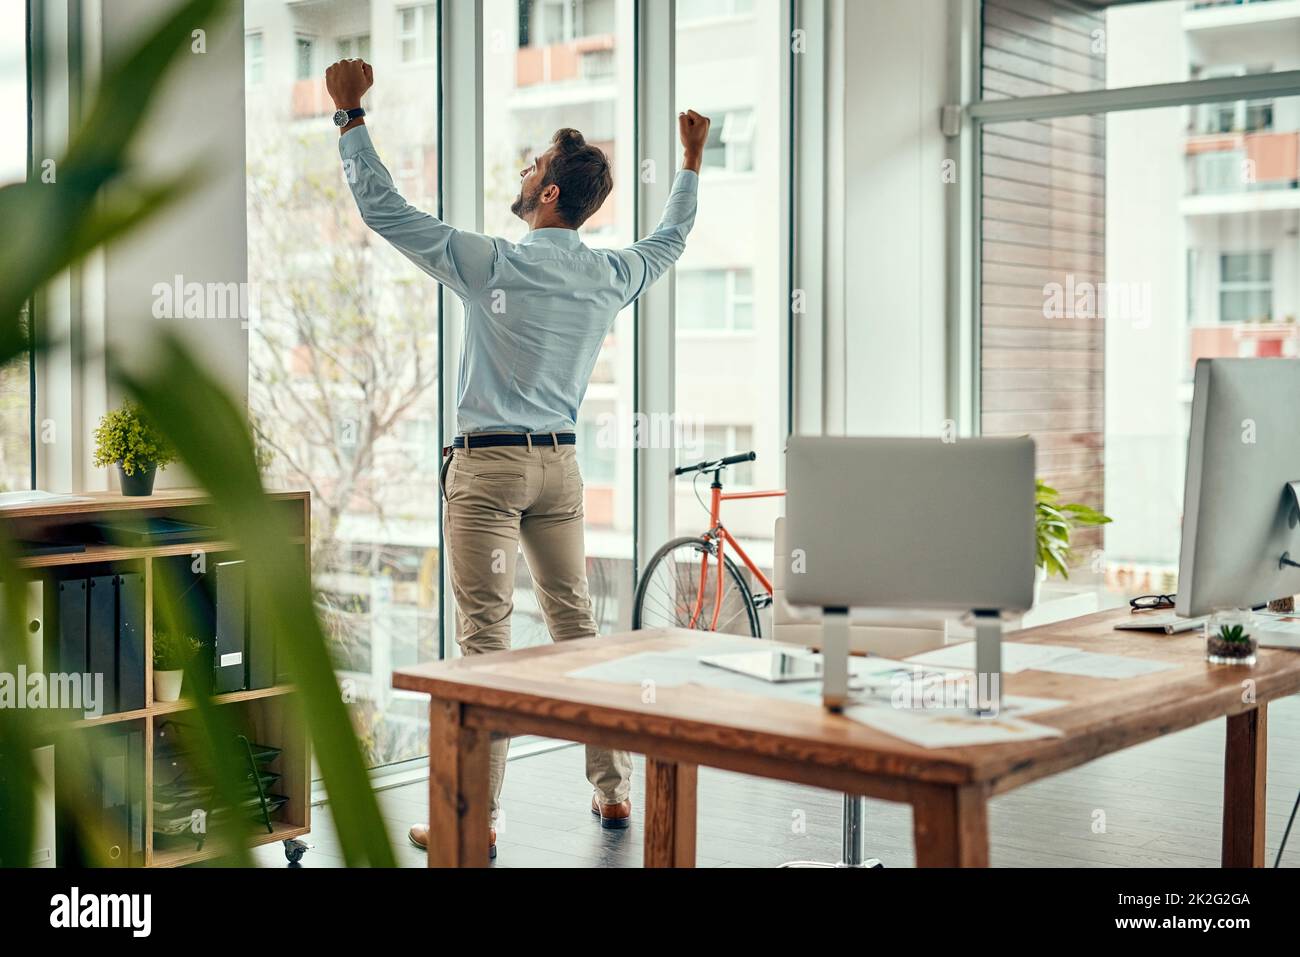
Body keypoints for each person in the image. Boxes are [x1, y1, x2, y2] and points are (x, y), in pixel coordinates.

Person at [324, 58, 707, 860]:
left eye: (532, 167)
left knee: (486, 642)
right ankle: (613, 791)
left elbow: (386, 211)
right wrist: (690, 167)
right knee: (577, 631)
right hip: (560, 472)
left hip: (491, 472)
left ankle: (479, 818)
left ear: (550, 195)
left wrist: (351, 118)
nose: (523, 175)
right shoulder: (609, 274)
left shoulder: (493, 263)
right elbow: (669, 241)